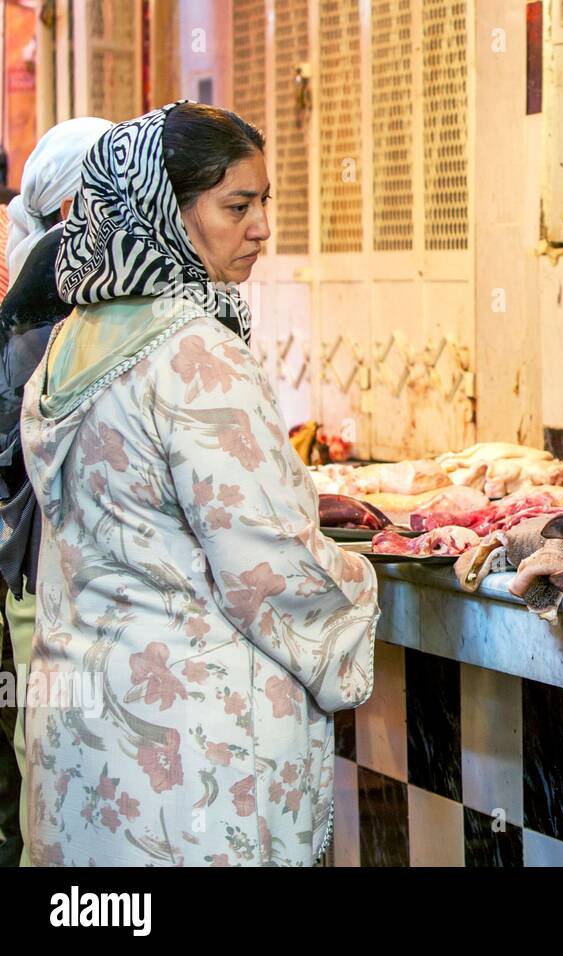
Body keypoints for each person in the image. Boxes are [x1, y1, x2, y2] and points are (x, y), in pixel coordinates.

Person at [20, 101, 379, 866]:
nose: (261, 228)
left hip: (88, 729)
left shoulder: (73, 338)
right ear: (163, 212)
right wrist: (358, 581)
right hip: (188, 749)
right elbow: (268, 566)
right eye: (237, 206)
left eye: (264, 203)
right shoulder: (194, 352)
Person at [0, 116, 113, 867]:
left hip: (46, 574)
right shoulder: (51, 294)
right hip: (49, 573)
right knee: (55, 757)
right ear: (73, 207)